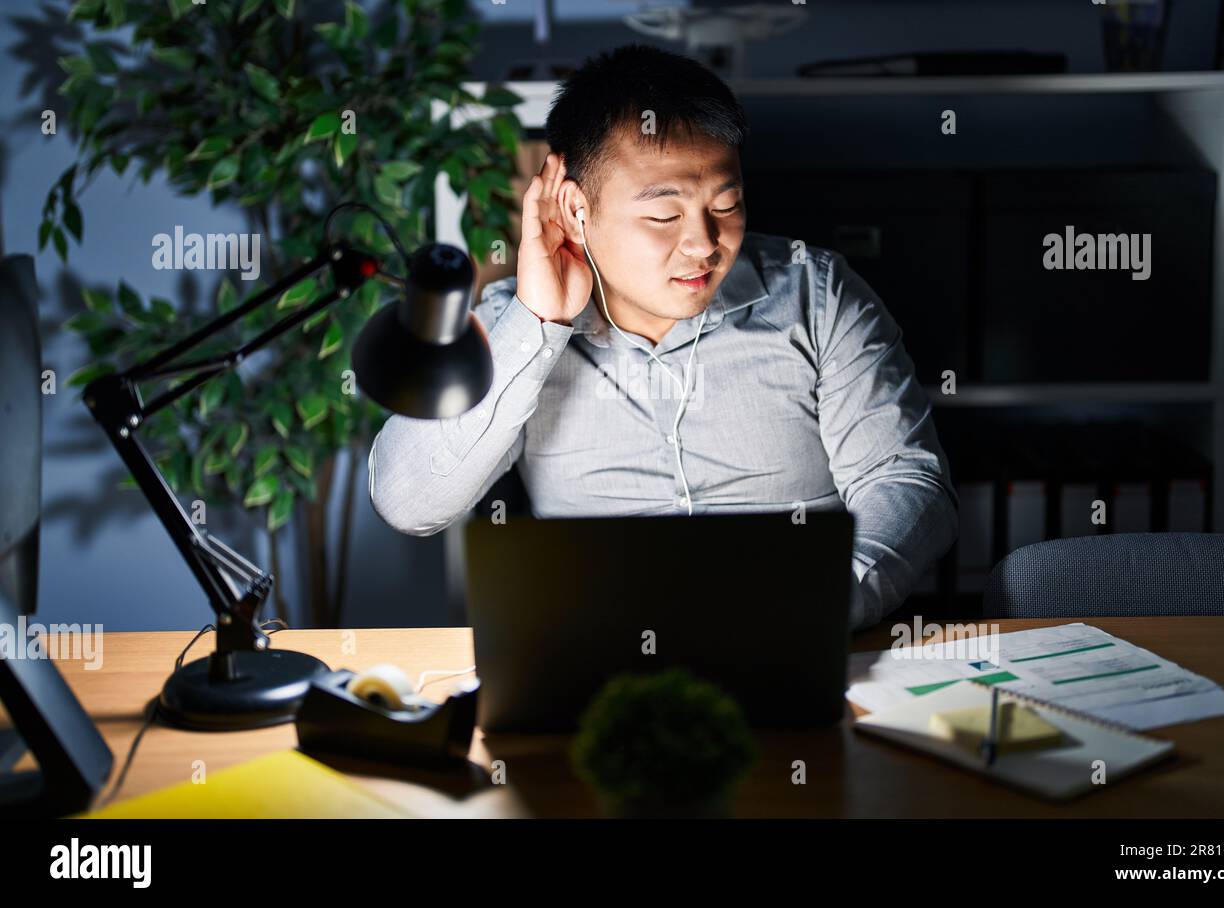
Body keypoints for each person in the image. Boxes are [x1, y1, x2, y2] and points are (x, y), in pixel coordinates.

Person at [369, 44, 958, 628]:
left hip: (808, 634)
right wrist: (537, 324)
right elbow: (408, 501)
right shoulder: (511, 322)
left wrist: (826, 603)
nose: (704, 244)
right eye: (664, 216)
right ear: (575, 209)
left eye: (726, 204)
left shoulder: (818, 294)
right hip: (601, 649)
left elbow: (905, 479)